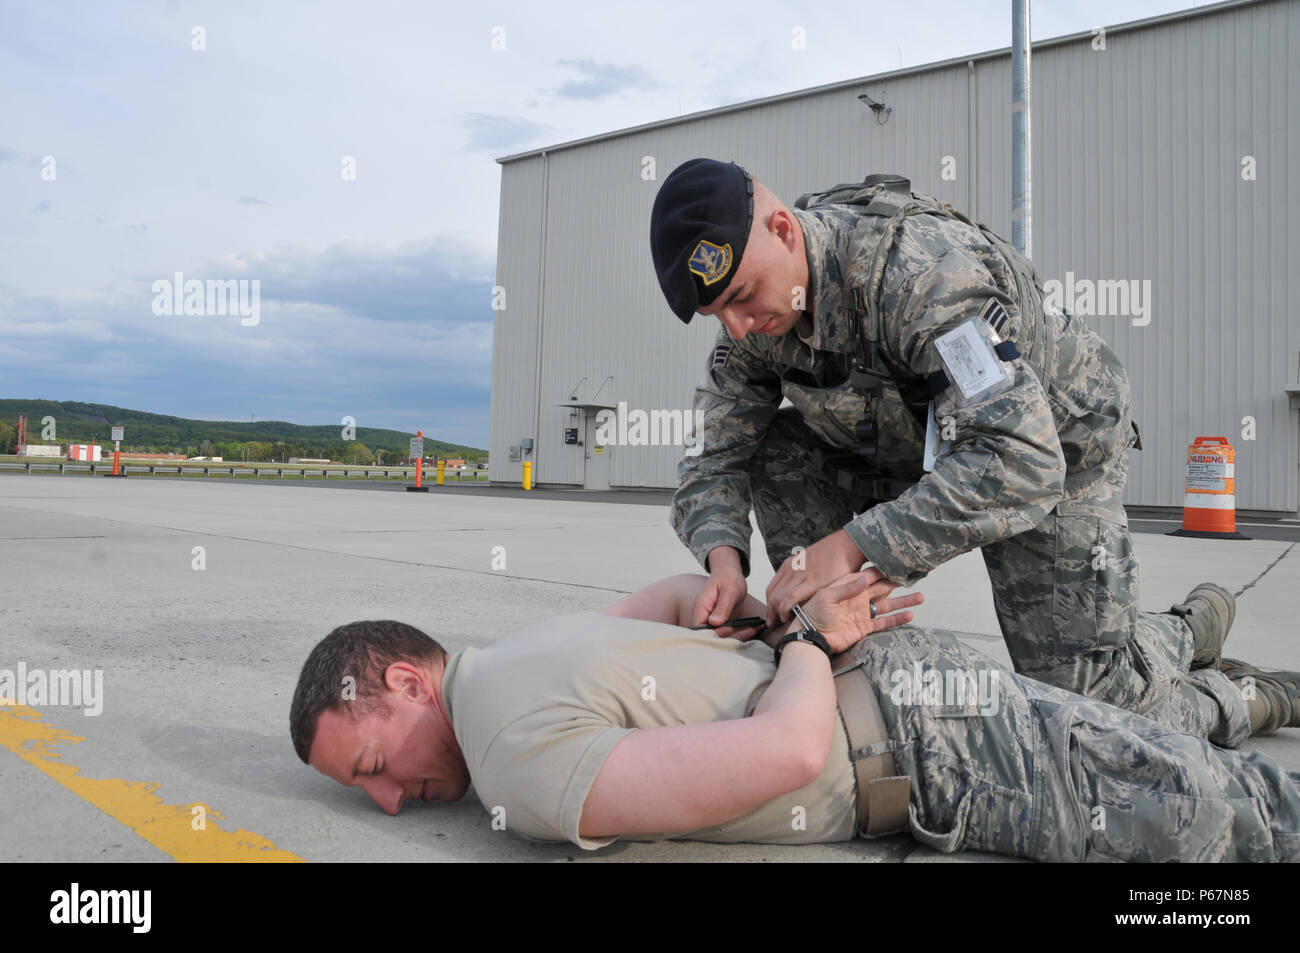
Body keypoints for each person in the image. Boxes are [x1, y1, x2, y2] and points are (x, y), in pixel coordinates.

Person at [648, 157, 1298, 743]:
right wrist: (723, 560)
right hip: (917, 448)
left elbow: (1019, 459)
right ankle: (852, 655)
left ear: (784, 231)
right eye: (716, 314)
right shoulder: (754, 327)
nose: (735, 328)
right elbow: (715, 454)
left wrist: (850, 545)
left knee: (1098, 714)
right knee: (776, 447)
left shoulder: (924, 276)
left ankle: (1230, 673)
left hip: (1055, 447)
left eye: (740, 298)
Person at [290, 572, 1300, 862]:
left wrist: (805, 643)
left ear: (413, 683)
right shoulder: (520, 646)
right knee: (1126, 737)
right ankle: (1239, 687)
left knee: (1240, 823)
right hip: (914, 696)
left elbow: (787, 749)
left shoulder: (514, 762)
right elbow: (681, 593)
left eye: (373, 759)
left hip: (930, 743)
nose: (387, 800)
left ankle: (1220, 682)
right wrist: (759, 618)